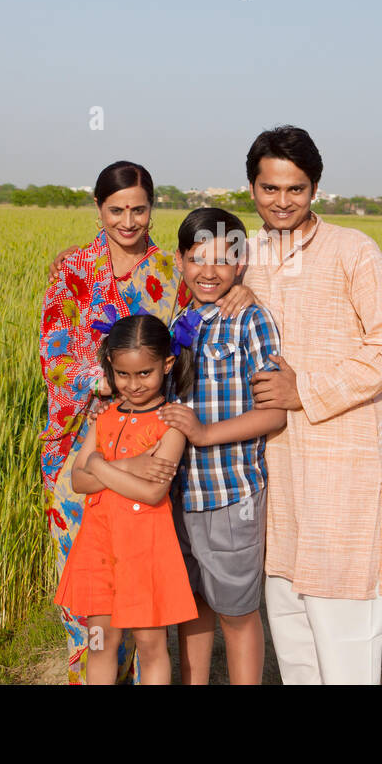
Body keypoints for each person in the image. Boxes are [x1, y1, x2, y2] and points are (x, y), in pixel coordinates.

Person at [38, 160, 254, 683]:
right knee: (91, 597)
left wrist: (240, 293)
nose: (128, 221)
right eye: (116, 210)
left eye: (139, 209)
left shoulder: (170, 271)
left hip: (157, 446)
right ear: (98, 208)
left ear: (152, 207)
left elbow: (200, 316)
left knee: (142, 597)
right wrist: (116, 382)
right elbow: (54, 355)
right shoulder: (72, 268)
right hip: (78, 447)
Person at [243, 125, 382, 684]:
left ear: (315, 188)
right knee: (291, 635)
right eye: (270, 189)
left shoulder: (353, 249)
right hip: (271, 467)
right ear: (252, 188)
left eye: (295, 189)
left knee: (344, 636)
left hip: (341, 463)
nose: (282, 201)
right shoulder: (244, 255)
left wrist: (306, 389)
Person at [157, 208, 285, 684]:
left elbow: (273, 411)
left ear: (241, 262)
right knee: (191, 608)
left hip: (231, 495)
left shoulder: (249, 320)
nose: (208, 271)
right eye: (196, 259)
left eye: (222, 259)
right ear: (180, 260)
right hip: (178, 495)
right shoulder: (178, 318)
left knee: (237, 612)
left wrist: (205, 433)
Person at [53, 313, 199, 684]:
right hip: (101, 547)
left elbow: (152, 492)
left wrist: (100, 465)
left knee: (151, 646)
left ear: (167, 365)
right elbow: (77, 480)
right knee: (101, 643)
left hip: (145, 552)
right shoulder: (103, 418)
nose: (133, 385)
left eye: (144, 374)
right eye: (123, 375)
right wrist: (130, 464)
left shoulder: (171, 423)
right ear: (111, 369)